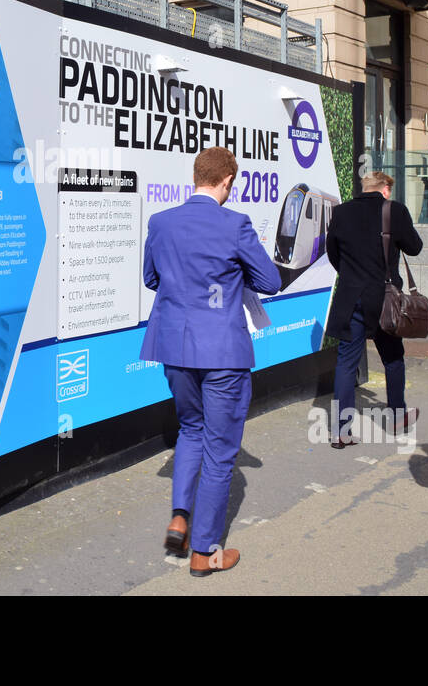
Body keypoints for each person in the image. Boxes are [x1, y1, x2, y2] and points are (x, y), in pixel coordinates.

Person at [140, 146, 281, 577]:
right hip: (222, 351)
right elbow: (271, 281)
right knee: (220, 452)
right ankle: (203, 552)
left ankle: (180, 515)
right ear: (226, 182)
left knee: (190, 429)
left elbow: (150, 279)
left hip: (175, 349)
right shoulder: (235, 224)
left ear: (196, 177)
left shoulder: (161, 223)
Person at [324, 171, 423, 447]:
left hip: (351, 297)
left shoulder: (341, 213)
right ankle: (397, 417)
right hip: (384, 299)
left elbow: (333, 253)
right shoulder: (395, 211)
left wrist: (352, 276)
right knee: (392, 358)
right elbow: (415, 248)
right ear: (386, 189)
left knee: (346, 363)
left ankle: (340, 431)